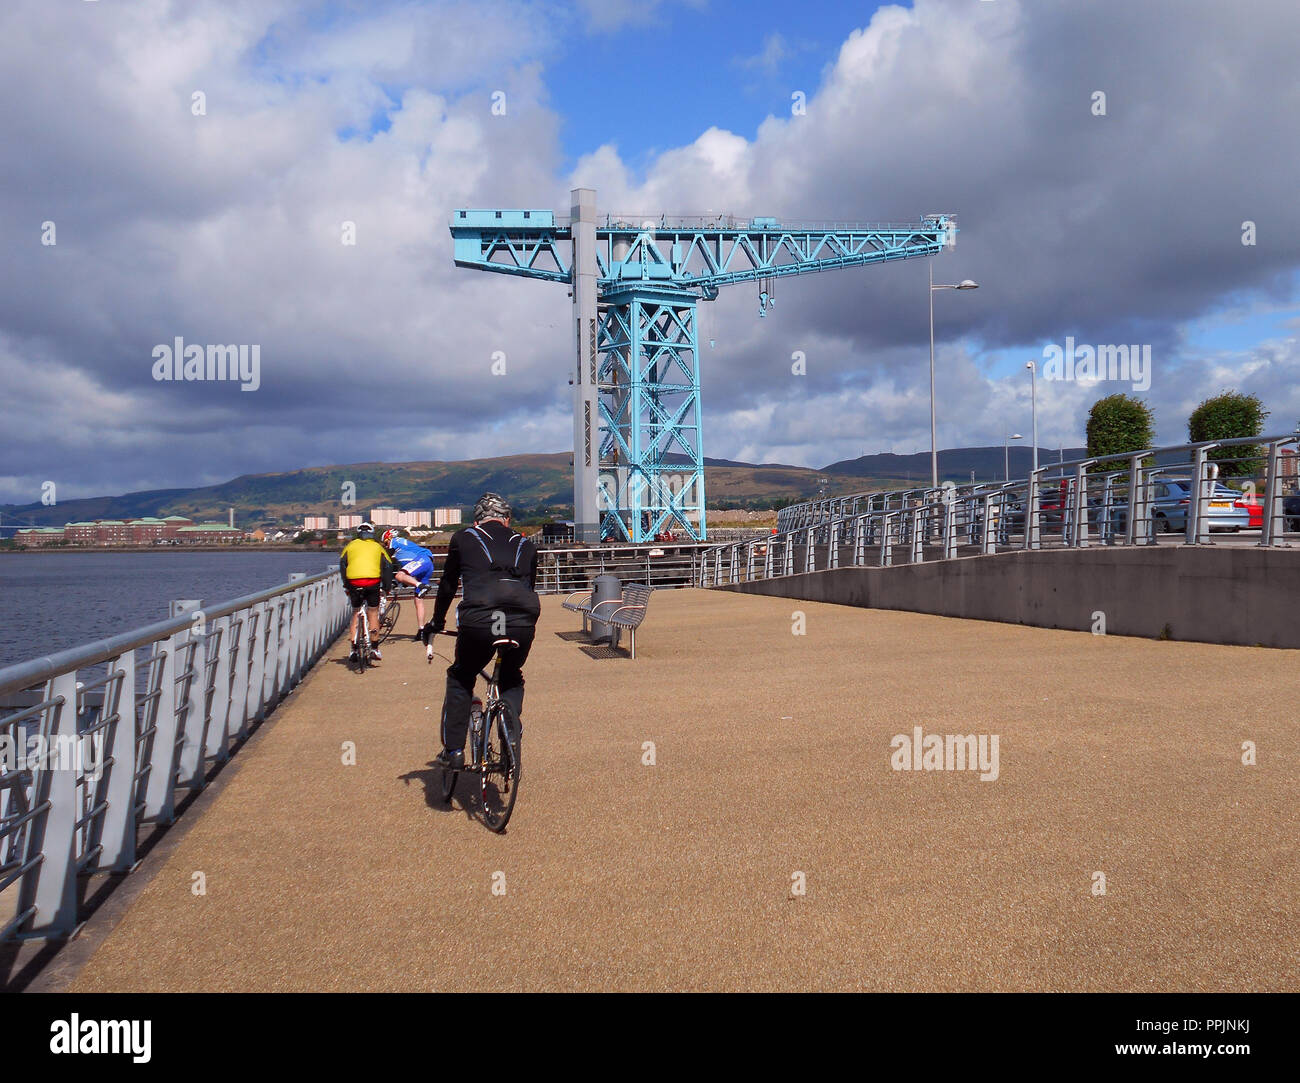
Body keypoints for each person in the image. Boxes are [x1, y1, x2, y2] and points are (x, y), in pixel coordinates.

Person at [423, 493, 539, 770]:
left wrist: (437, 623)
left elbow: (448, 585)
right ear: (507, 519)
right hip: (521, 620)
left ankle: (453, 751)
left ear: (477, 521)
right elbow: (528, 587)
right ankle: (510, 731)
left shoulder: (463, 538)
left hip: (480, 619)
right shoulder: (526, 544)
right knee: (510, 677)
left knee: (462, 675)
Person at [339, 521, 394, 663]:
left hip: (354, 582)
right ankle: (375, 648)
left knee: (356, 612)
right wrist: (387, 587)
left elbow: (343, 566)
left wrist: (346, 585)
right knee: (373, 613)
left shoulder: (349, 546)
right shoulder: (378, 547)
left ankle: (353, 650)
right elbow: (388, 567)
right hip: (372, 582)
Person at [381, 528, 435, 643]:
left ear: (389, 538)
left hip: (421, 560)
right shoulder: (402, 546)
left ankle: (420, 585)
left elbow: (386, 559)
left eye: (385, 542)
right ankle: (421, 630)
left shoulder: (394, 541)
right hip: (427, 563)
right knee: (418, 600)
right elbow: (408, 574)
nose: (386, 545)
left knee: (398, 575)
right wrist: (400, 583)